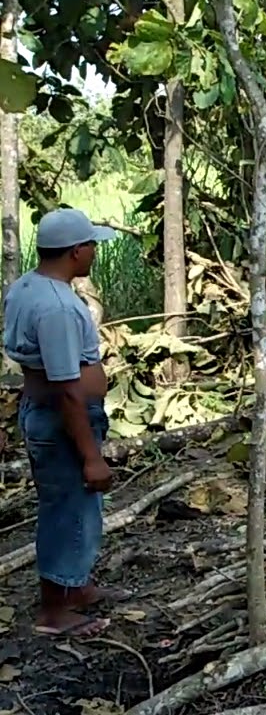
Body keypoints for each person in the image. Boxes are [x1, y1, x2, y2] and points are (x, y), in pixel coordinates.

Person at [4, 208, 126, 637]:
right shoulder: (57, 306)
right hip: (61, 419)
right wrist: (92, 457)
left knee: (76, 506)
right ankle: (54, 612)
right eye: (92, 245)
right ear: (77, 252)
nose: (94, 252)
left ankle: (75, 588)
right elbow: (69, 388)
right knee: (69, 509)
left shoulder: (26, 287)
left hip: (46, 411)